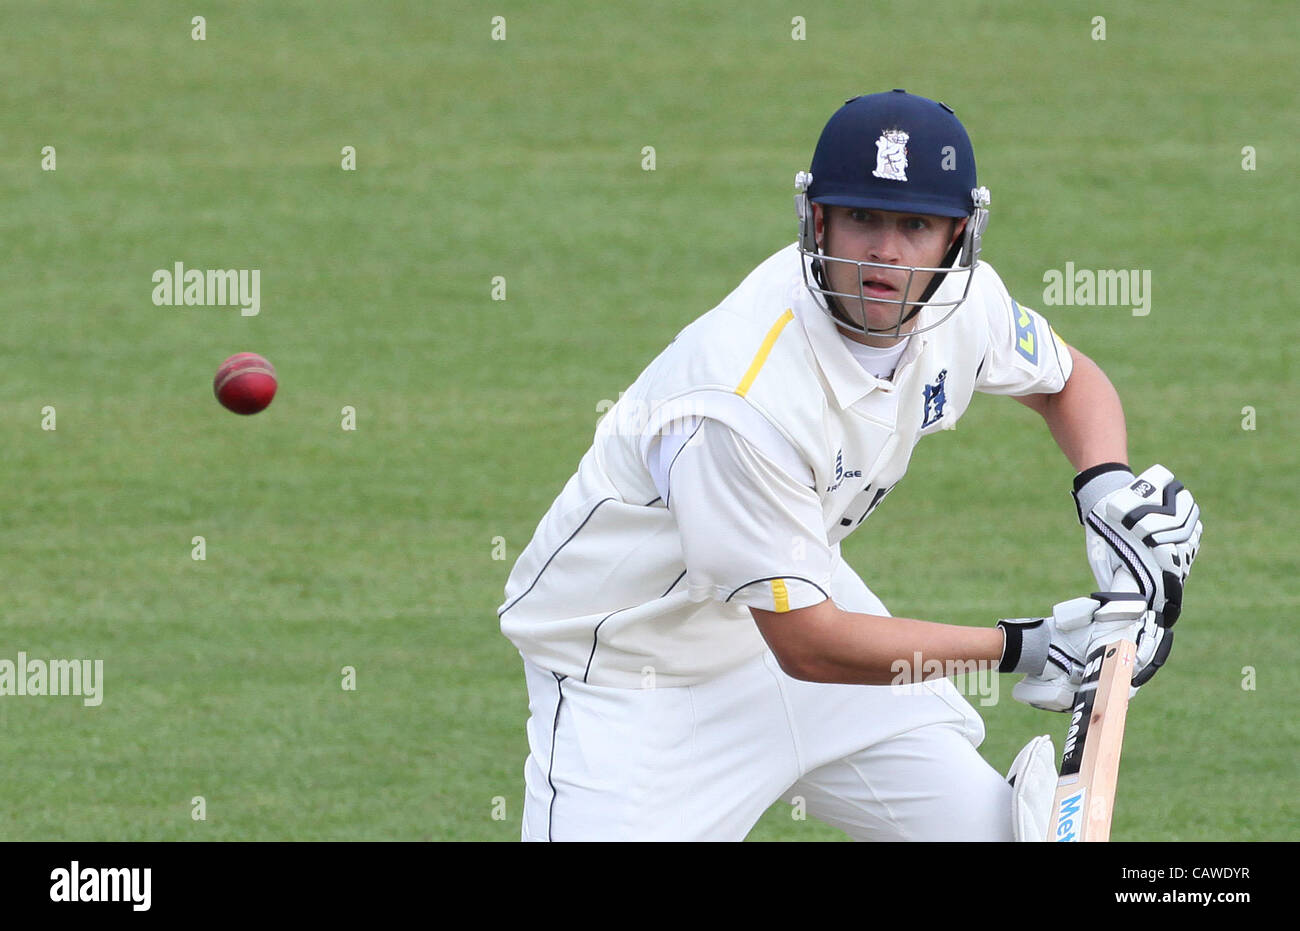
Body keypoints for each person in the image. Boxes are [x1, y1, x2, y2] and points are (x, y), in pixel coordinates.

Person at [497, 90, 1202, 841]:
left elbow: (1068, 382)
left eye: (914, 225)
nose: (886, 254)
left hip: (797, 606)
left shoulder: (959, 307)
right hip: (638, 677)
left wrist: (1107, 492)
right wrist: (1021, 645)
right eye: (862, 217)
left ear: (957, 235)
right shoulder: (741, 398)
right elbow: (808, 643)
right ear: (818, 218)